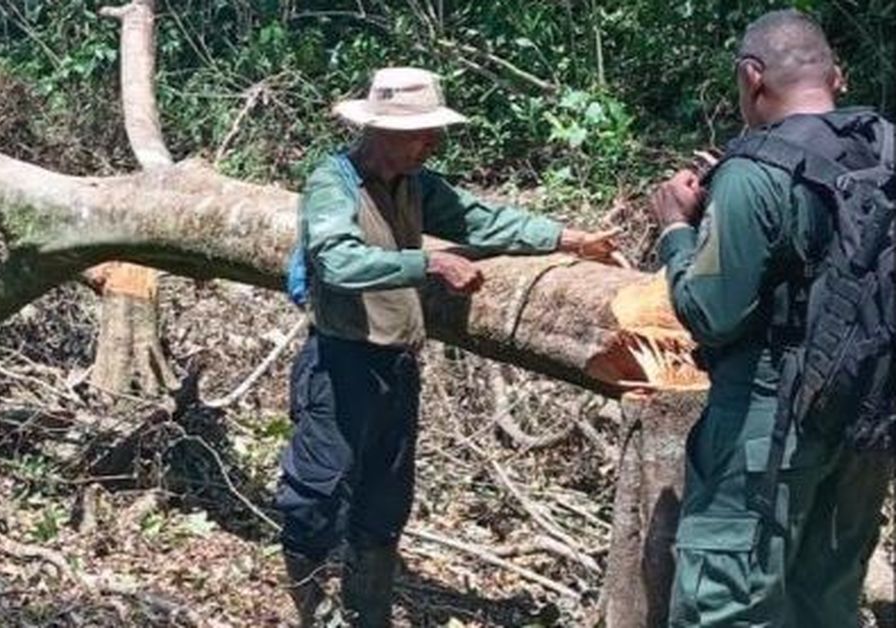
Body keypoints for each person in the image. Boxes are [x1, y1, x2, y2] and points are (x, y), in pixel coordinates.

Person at [277, 66, 621, 626]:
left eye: (434, 133)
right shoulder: (331, 184)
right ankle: (316, 614)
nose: (432, 144)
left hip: (396, 365)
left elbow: (479, 218)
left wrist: (565, 237)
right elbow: (337, 260)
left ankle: (370, 617)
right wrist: (427, 262)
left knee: (384, 503)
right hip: (340, 364)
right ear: (380, 131)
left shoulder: (416, 184)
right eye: (421, 134)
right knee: (314, 495)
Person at [651, 10, 893, 627]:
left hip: (766, 430)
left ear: (752, 76)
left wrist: (677, 228)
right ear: (836, 78)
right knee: (825, 604)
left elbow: (711, 314)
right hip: (866, 424)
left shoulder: (756, 173)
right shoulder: (885, 152)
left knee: (727, 609)